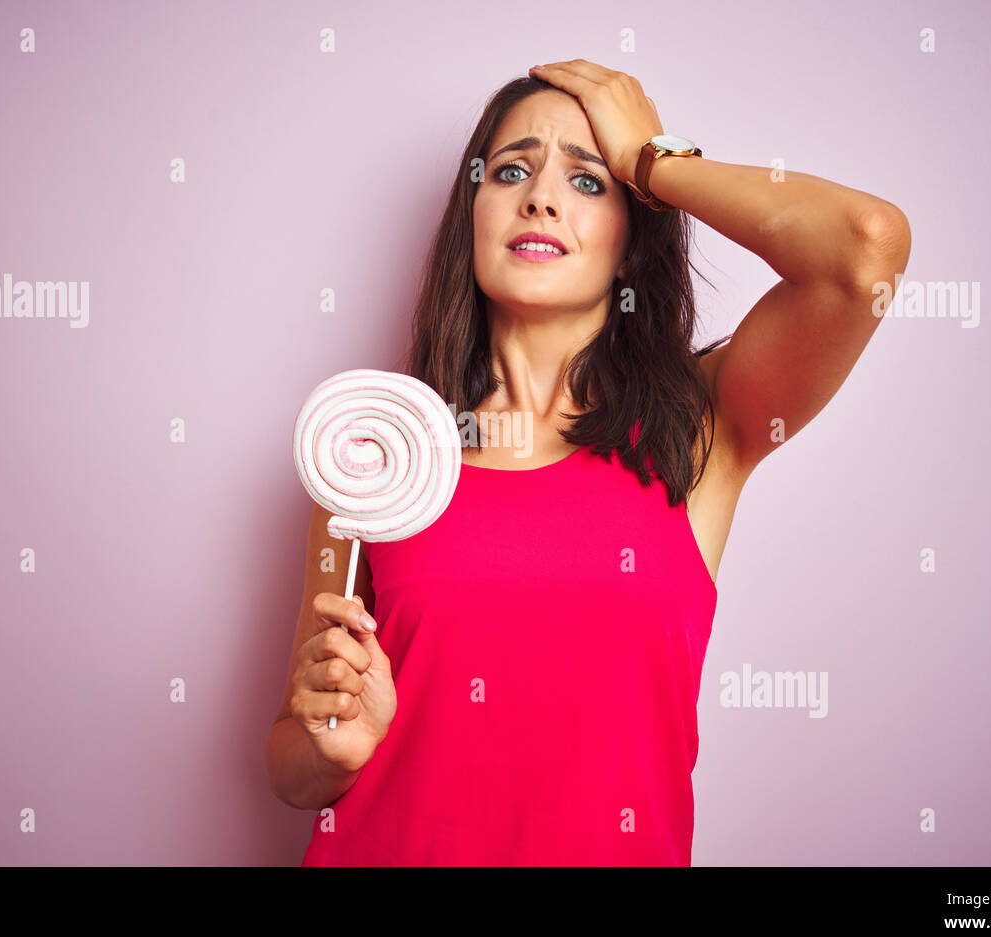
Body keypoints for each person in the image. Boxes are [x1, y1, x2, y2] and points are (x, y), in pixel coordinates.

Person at [265, 59, 911, 865]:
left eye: (588, 180)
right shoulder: (376, 449)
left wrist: (656, 160)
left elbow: (865, 252)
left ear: (633, 240)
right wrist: (331, 745)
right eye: (511, 171)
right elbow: (292, 765)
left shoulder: (700, 427)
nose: (541, 196)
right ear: (472, 213)